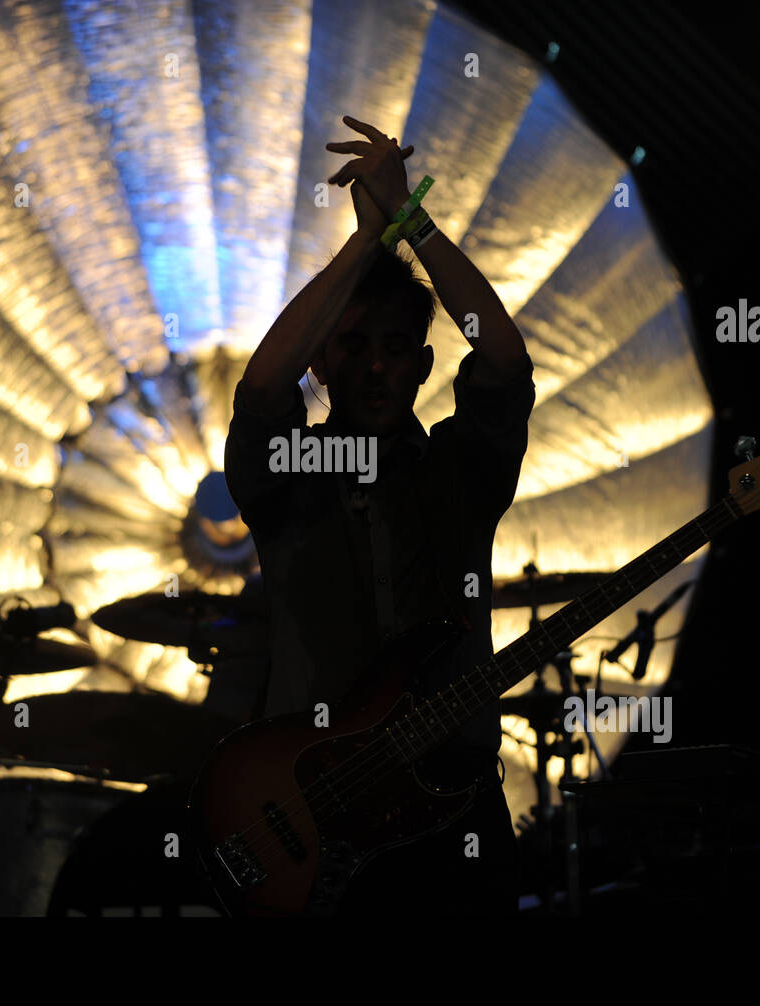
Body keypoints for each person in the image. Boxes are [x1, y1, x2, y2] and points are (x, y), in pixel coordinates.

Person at [223, 116, 535, 916]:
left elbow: (502, 360)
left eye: (396, 349)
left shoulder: (458, 472)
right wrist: (366, 242)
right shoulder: (294, 473)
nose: (374, 369)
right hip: (321, 831)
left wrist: (414, 226)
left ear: (425, 366)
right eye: (353, 349)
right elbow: (261, 394)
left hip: (455, 816)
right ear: (320, 364)